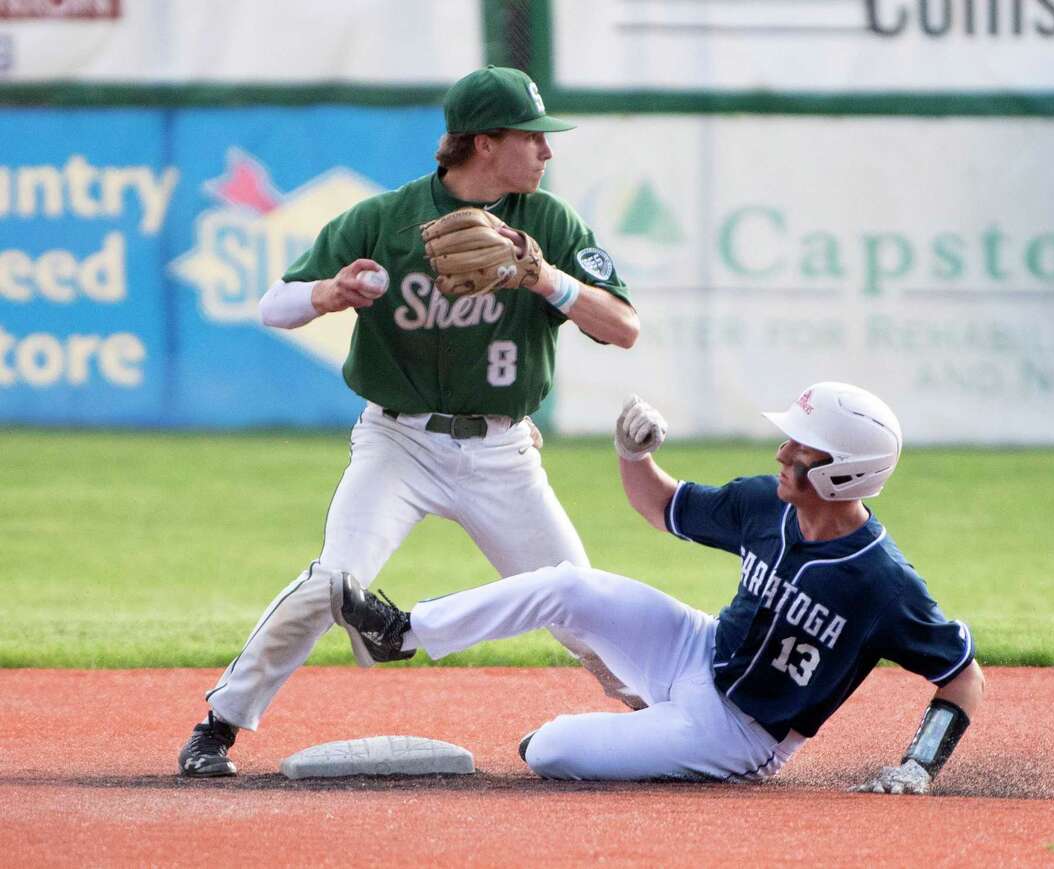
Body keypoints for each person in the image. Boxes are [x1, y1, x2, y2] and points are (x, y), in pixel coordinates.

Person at [178, 65, 642, 777]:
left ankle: (663, 715)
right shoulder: (384, 219)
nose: (546, 150)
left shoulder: (548, 222)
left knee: (578, 601)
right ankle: (217, 726)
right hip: (399, 441)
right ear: (484, 143)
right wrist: (328, 293)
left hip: (503, 452)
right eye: (531, 137)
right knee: (333, 581)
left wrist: (543, 277)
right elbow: (273, 304)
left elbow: (623, 327)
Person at [327, 382, 985, 789]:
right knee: (569, 586)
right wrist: (633, 454)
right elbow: (662, 506)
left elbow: (962, 677)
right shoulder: (767, 503)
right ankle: (404, 632)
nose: (783, 453)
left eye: (803, 447)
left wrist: (919, 765)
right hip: (696, 646)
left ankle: (656, 729)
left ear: (846, 472)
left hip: (740, 734)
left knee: (547, 749)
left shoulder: (882, 582)